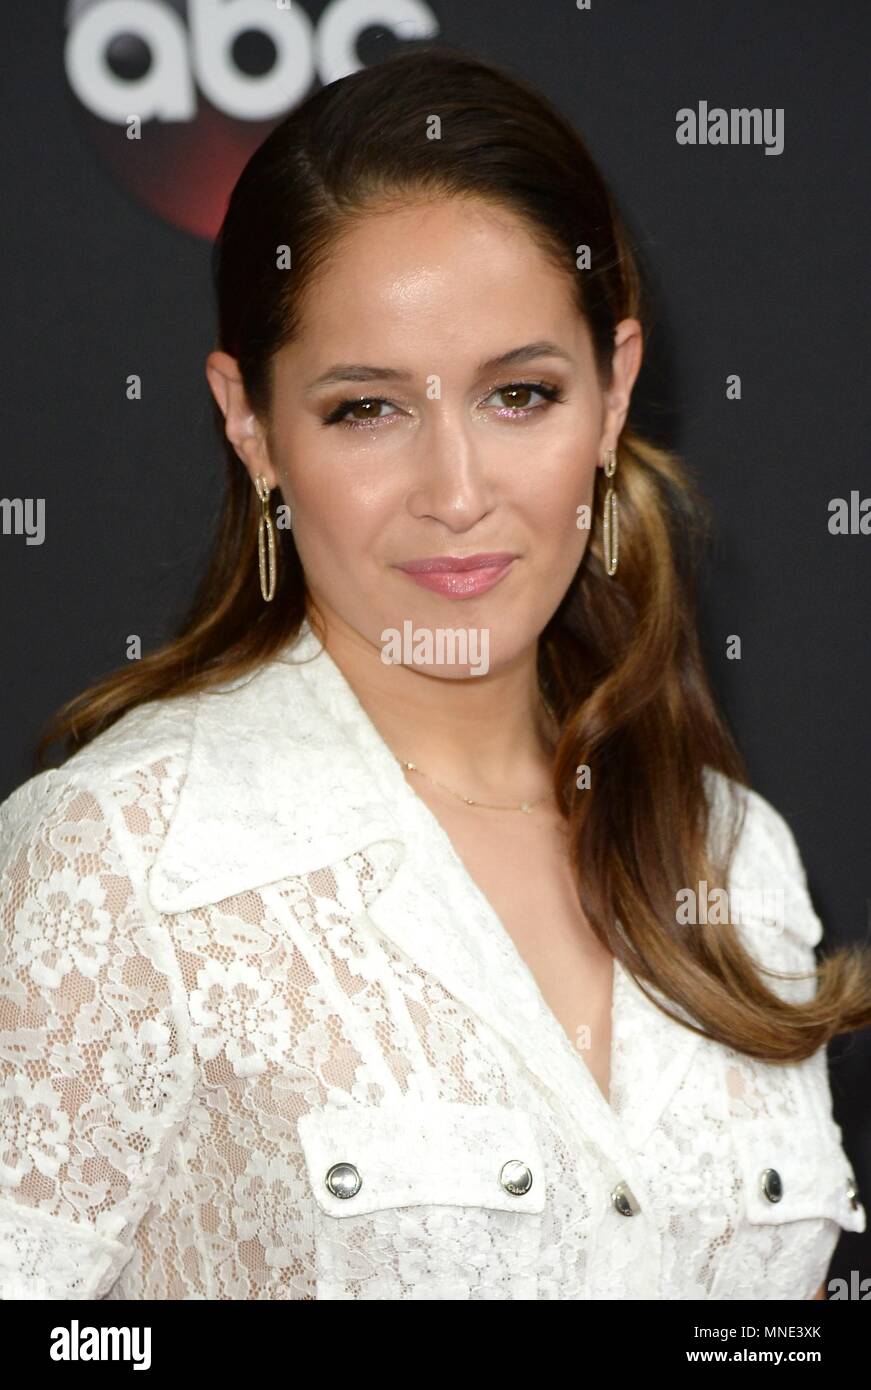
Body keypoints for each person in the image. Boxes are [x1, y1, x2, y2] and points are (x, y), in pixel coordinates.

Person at [1, 45, 868, 1302]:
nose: (459, 495)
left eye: (521, 394)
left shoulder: (735, 857)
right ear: (251, 425)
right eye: (367, 408)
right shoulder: (121, 860)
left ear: (614, 391)